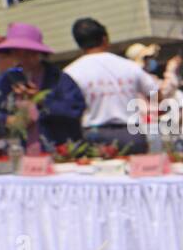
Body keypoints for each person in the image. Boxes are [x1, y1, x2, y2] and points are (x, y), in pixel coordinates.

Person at [63, 18, 161, 153]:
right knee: (137, 172)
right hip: (130, 134)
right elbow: (156, 95)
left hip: (93, 135)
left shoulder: (70, 72)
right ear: (105, 39)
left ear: (79, 43)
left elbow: (67, 110)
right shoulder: (130, 66)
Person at [0, 22, 84, 148]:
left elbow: (75, 109)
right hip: (18, 151)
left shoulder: (59, 79)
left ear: (39, 53)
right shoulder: (3, 81)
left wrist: (42, 99)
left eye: (29, 53)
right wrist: (6, 119)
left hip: (58, 149)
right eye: (18, 53)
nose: (24, 58)